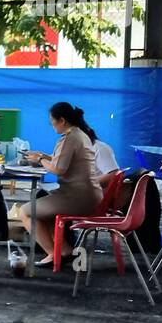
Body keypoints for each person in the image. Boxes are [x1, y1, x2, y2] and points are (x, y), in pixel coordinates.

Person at [18, 102, 104, 267]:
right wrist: (43, 155)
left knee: (25, 212)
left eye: (53, 122)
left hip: (78, 198)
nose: (53, 126)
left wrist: (40, 160)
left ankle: (52, 253)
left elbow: (58, 169)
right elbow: (63, 161)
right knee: (45, 210)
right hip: (88, 195)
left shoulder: (70, 138)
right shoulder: (79, 134)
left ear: (62, 120)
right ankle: (63, 250)